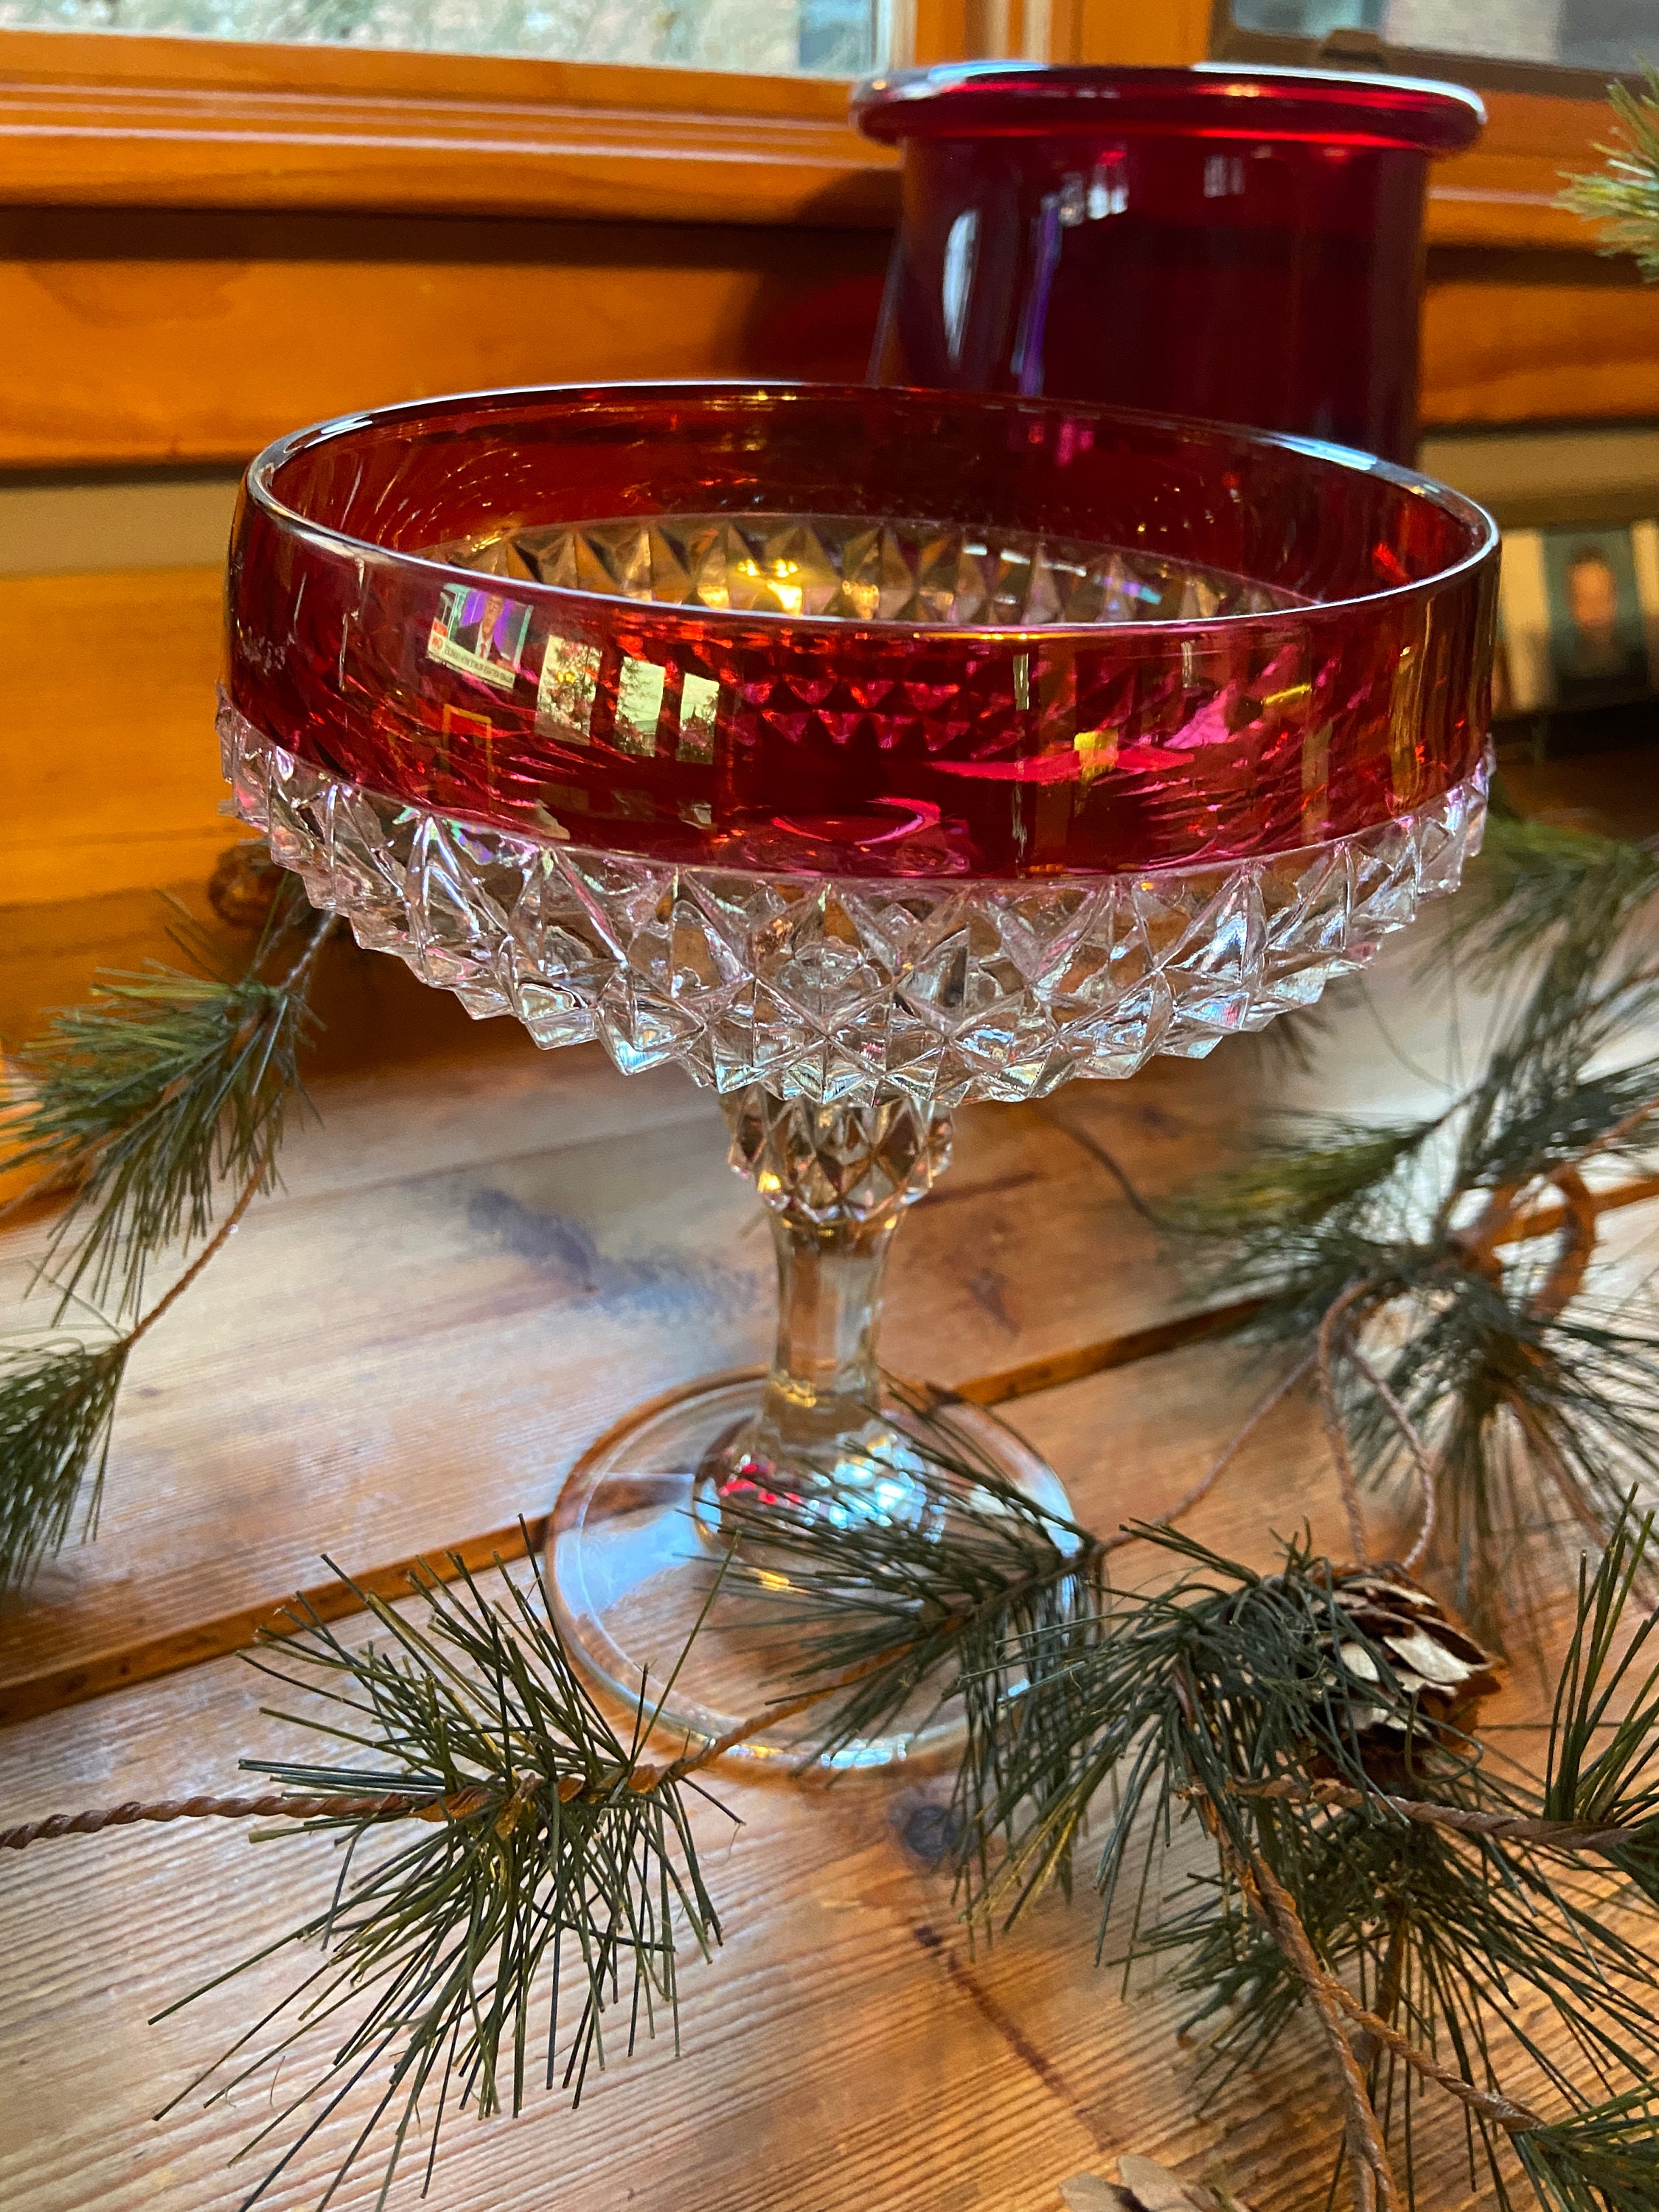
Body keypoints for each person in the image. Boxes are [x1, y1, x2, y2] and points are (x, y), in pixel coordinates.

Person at [1553, 543, 1649, 709]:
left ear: (1615, 599)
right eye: (1584, 600)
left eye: (1603, 597)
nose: (1595, 610)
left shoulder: (1646, 668)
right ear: (1570, 605)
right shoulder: (1557, 682)